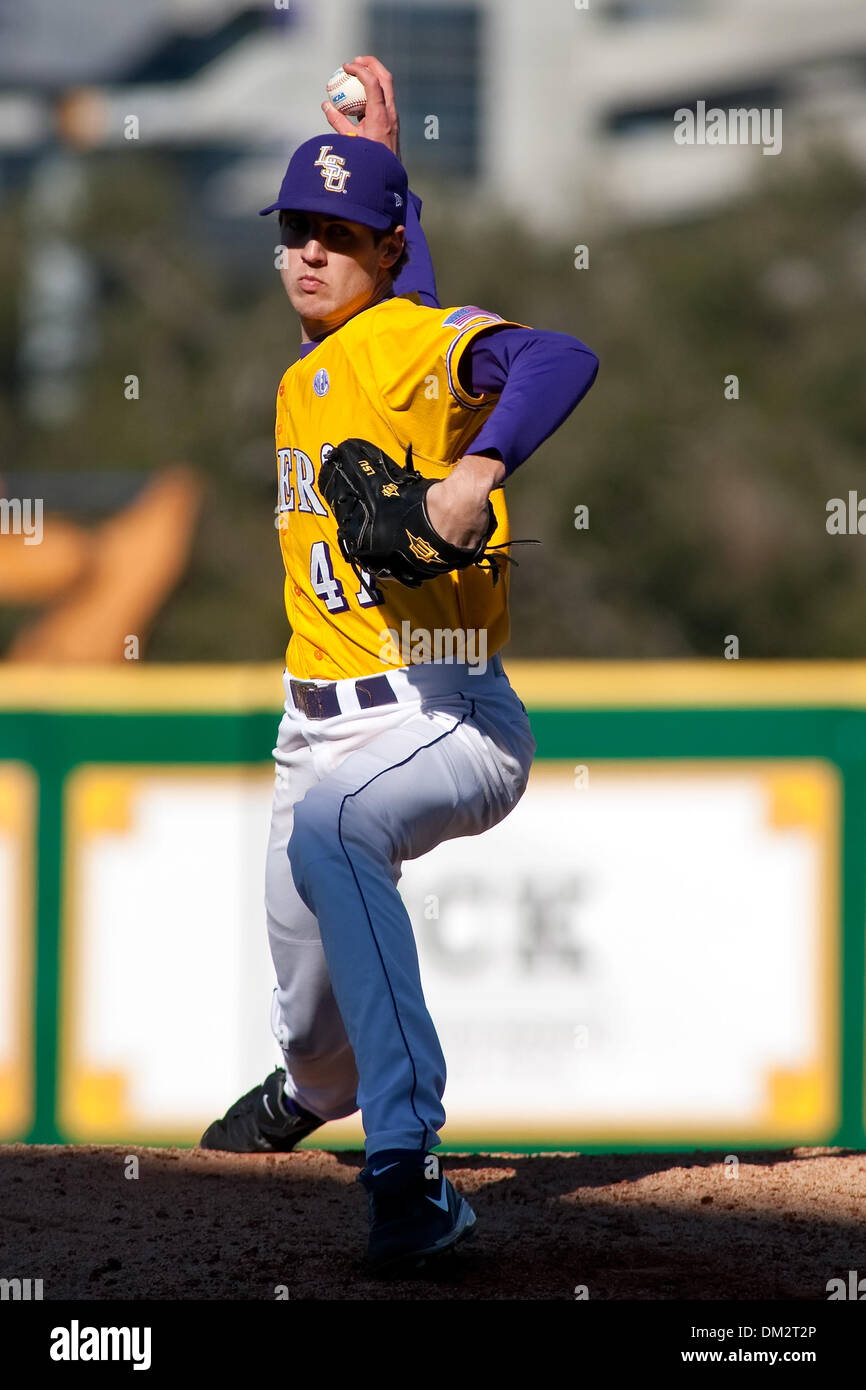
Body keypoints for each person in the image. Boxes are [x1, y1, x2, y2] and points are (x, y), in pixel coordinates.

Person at [200, 57, 599, 1273]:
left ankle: (409, 1171)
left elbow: (555, 359)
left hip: (445, 709)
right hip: (310, 731)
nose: (310, 253)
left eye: (339, 235)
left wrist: (477, 473)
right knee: (315, 1044)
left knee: (334, 836)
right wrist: (387, 176)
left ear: (380, 251)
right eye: (296, 234)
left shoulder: (416, 343)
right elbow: (396, 334)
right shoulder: (311, 371)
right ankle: (316, 1093)